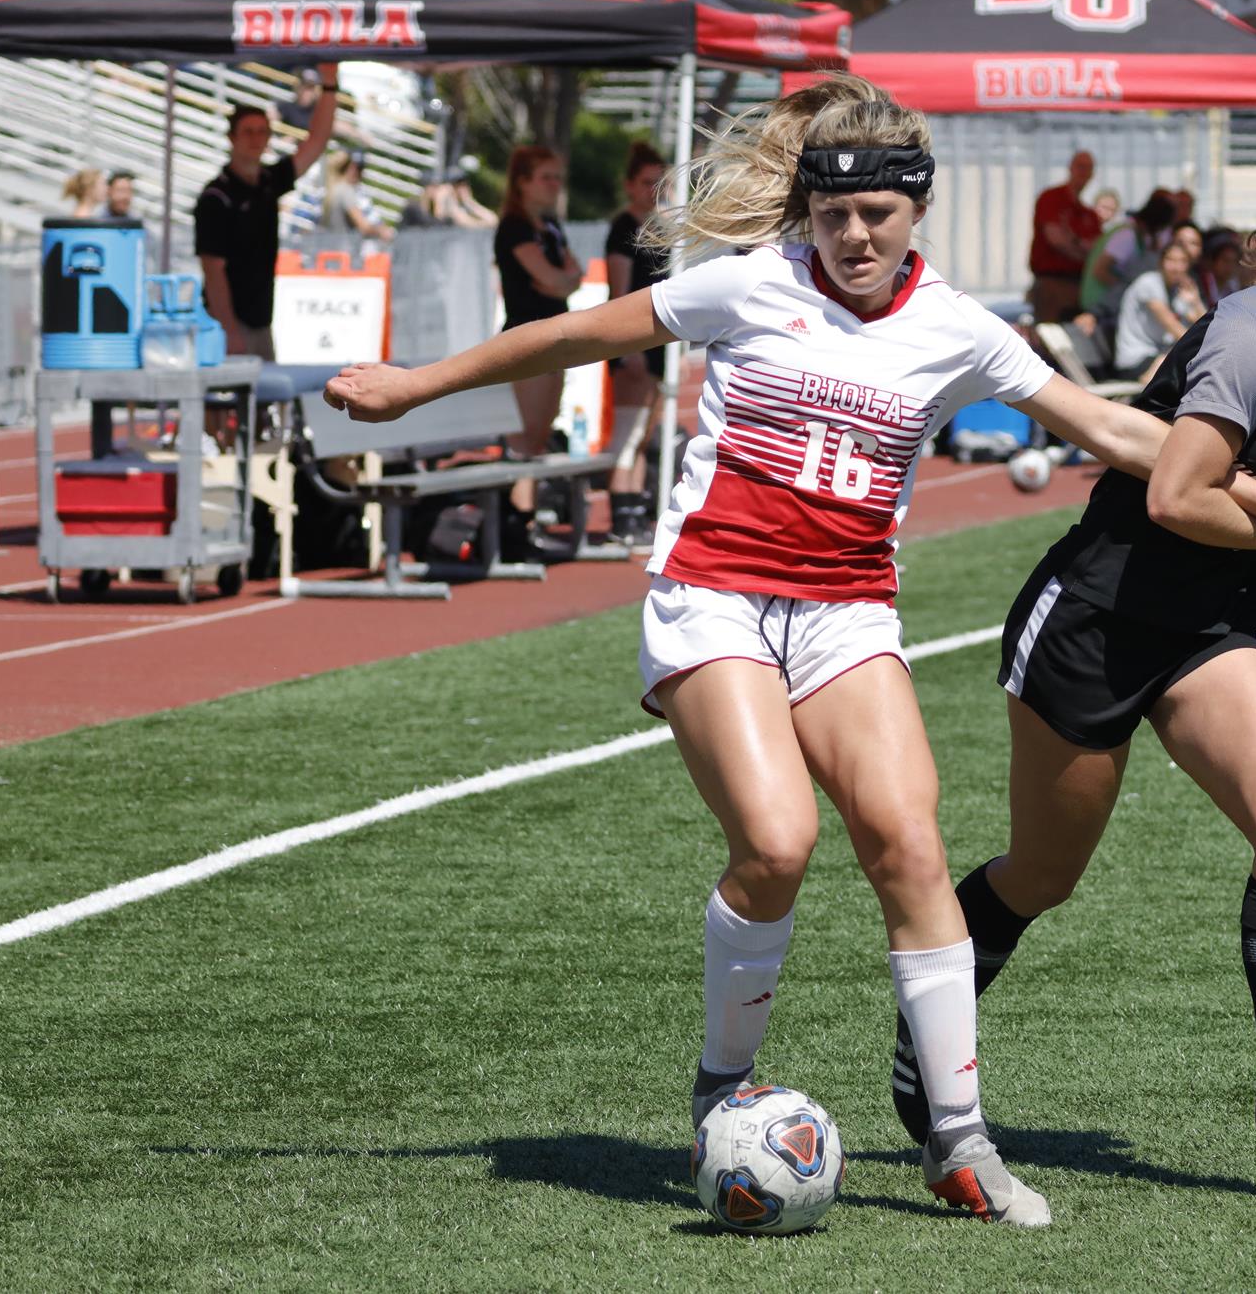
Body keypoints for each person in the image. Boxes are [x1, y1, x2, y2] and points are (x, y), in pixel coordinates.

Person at [323, 75, 1177, 1227]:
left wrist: (1253, 485)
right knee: (776, 846)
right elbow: (574, 331)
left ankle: (959, 1142)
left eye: (877, 215)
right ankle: (724, 1084)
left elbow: (1112, 427)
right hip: (713, 598)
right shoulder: (745, 286)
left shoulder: (959, 327)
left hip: (845, 613)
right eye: (834, 216)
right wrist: (413, 387)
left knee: (910, 847)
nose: (855, 236)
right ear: (807, 211)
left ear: (914, 211)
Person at [888, 176, 1256, 1151]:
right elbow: (1173, 494)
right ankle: (925, 1035)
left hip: (1204, 622)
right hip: (1098, 616)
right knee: (1041, 874)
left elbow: (1224, 489)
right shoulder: (1252, 337)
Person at [194, 64, 339, 361]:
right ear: (232, 137)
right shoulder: (216, 197)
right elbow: (213, 270)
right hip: (231, 321)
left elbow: (317, 142)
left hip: (260, 318)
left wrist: (330, 86)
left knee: (264, 401)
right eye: (248, 132)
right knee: (225, 401)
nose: (256, 139)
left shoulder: (268, 182)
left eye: (262, 132)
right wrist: (228, 328)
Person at [492, 144, 584, 556]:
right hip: (526, 338)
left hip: (554, 338)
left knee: (540, 435)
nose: (554, 186)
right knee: (524, 436)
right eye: (546, 177)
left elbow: (572, 278)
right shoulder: (513, 226)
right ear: (523, 182)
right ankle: (515, 523)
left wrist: (562, 281)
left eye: (558, 177)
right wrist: (562, 280)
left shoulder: (550, 225)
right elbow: (551, 276)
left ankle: (523, 521)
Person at [600, 141, 668, 548]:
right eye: (646, 182)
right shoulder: (624, 228)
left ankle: (633, 512)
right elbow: (619, 291)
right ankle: (620, 514)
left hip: (657, 342)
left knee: (644, 434)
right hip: (634, 341)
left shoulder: (660, 228)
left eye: (660, 182)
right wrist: (628, 348)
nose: (653, 189)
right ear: (629, 185)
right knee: (627, 432)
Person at [1110, 234, 1203, 380]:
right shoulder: (1149, 283)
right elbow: (1175, 328)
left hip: (1158, 356)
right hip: (1136, 361)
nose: (1176, 267)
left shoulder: (1177, 290)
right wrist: (1205, 349)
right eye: (1171, 260)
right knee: (1185, 362)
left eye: (1182, 261)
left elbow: (1203, 325)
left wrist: (1196, 301)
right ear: (1161, 262)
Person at [1080, 190, 1174, 324]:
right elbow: (1100, 271)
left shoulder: (1137, 237)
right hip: (1099, 306)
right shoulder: (1126, 236)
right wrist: (1129, 290)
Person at [1027, 150, 1100, 322]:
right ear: (1070, 168)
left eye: (1088, 168)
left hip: (1080, 286)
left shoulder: (1089, 214)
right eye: (1080, 166)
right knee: (1050, 335)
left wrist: (1076, 244)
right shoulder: (1052, 198)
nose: (1083, 172)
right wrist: (1082, 249)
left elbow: (1096, 249)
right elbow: (1057, 240)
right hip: (1053, 283)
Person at [318, 150, 395, 243]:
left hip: (331, 248)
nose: (359, 174)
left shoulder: (332, 189)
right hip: (343, 252)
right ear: (350, 168)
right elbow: (364, 227)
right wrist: (382, 231)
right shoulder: (346, 191)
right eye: (358, 169)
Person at [1196, 226, 1245, 309]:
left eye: (1234, 261)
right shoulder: (1199, 284)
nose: (1230, 266)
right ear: (1212, 261)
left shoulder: (1235, 287)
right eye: (1225, 260)